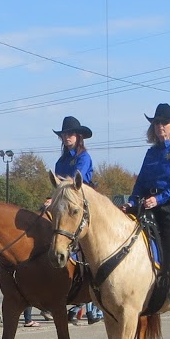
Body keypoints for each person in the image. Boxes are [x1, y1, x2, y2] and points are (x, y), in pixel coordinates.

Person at [129, 103, 170, 303]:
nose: (160, 126)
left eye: (164, 123)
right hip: (146, 202)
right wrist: (131, 202)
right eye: (157, 123)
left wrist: (158, 199)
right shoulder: (151, 152)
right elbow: (140, 182)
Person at [52, 115, 101, 324]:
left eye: (70, 134)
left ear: (78, 136)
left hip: (82, 205)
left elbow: (75, 183)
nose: (67, 137)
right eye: (64, 134)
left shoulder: (83, 157)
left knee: (85, 248)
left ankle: (91, 292)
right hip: (63, 203)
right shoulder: (60, 161)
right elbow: (57, 185)